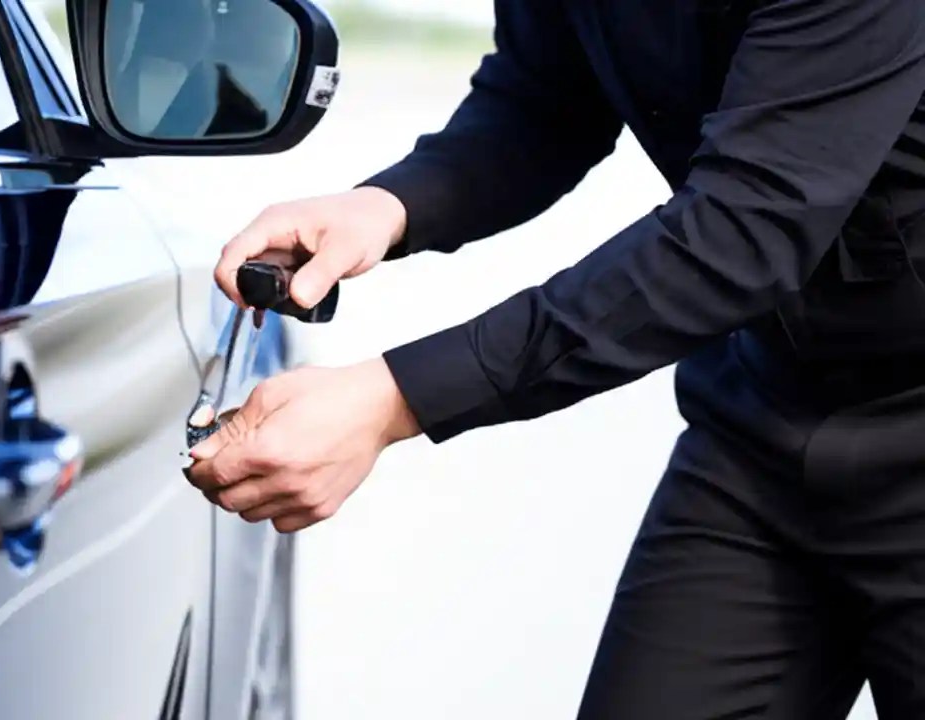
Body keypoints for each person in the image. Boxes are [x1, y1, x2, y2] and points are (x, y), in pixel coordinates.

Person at [184, 0, 925, 717]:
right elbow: (544, 99)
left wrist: (396, 397)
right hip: (760, 430)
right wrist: (387, 206)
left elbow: (739, 232)